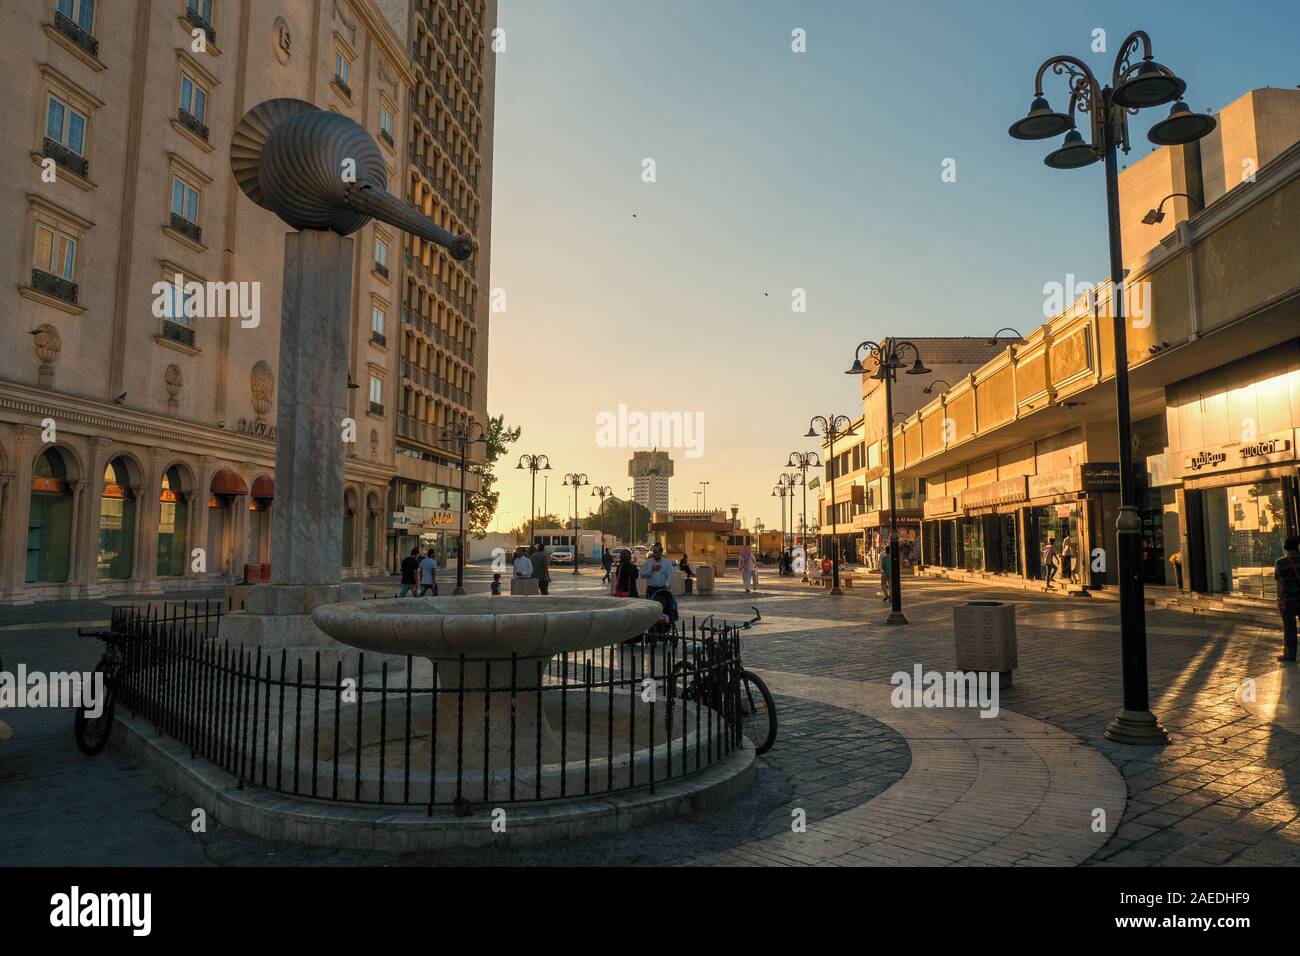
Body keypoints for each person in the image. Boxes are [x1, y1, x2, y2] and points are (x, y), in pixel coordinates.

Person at [1275, 536, 1300, 663]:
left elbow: (1280, 583)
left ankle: (1290, 655)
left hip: (1289, 600)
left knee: (1289, 628)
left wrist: (1279, 599)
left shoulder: (1281, 562)